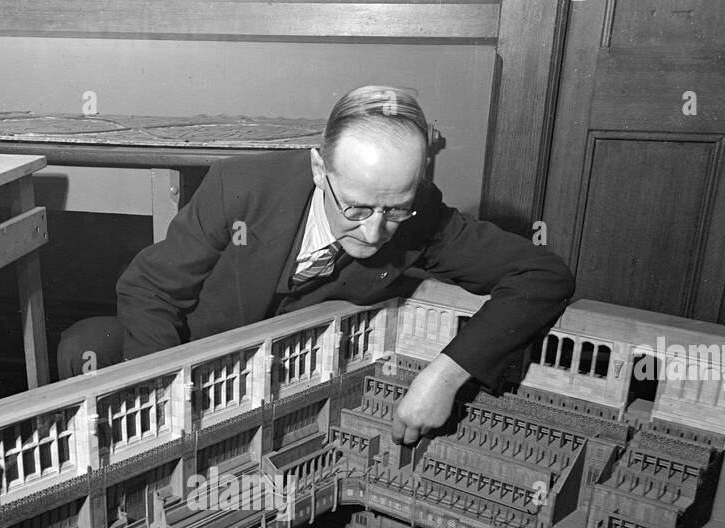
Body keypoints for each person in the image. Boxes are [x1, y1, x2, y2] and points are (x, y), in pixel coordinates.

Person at [59, 86, 575, 444]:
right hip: (197, 363)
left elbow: (544, 276)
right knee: (86, 346)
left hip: (294, 388)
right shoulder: (239, 189)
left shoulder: (423, 218)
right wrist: (162, 397)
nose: (374, 233)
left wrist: (444, 376)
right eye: (354, 207)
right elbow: (149, 288)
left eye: (395, 209)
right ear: (318, 168)